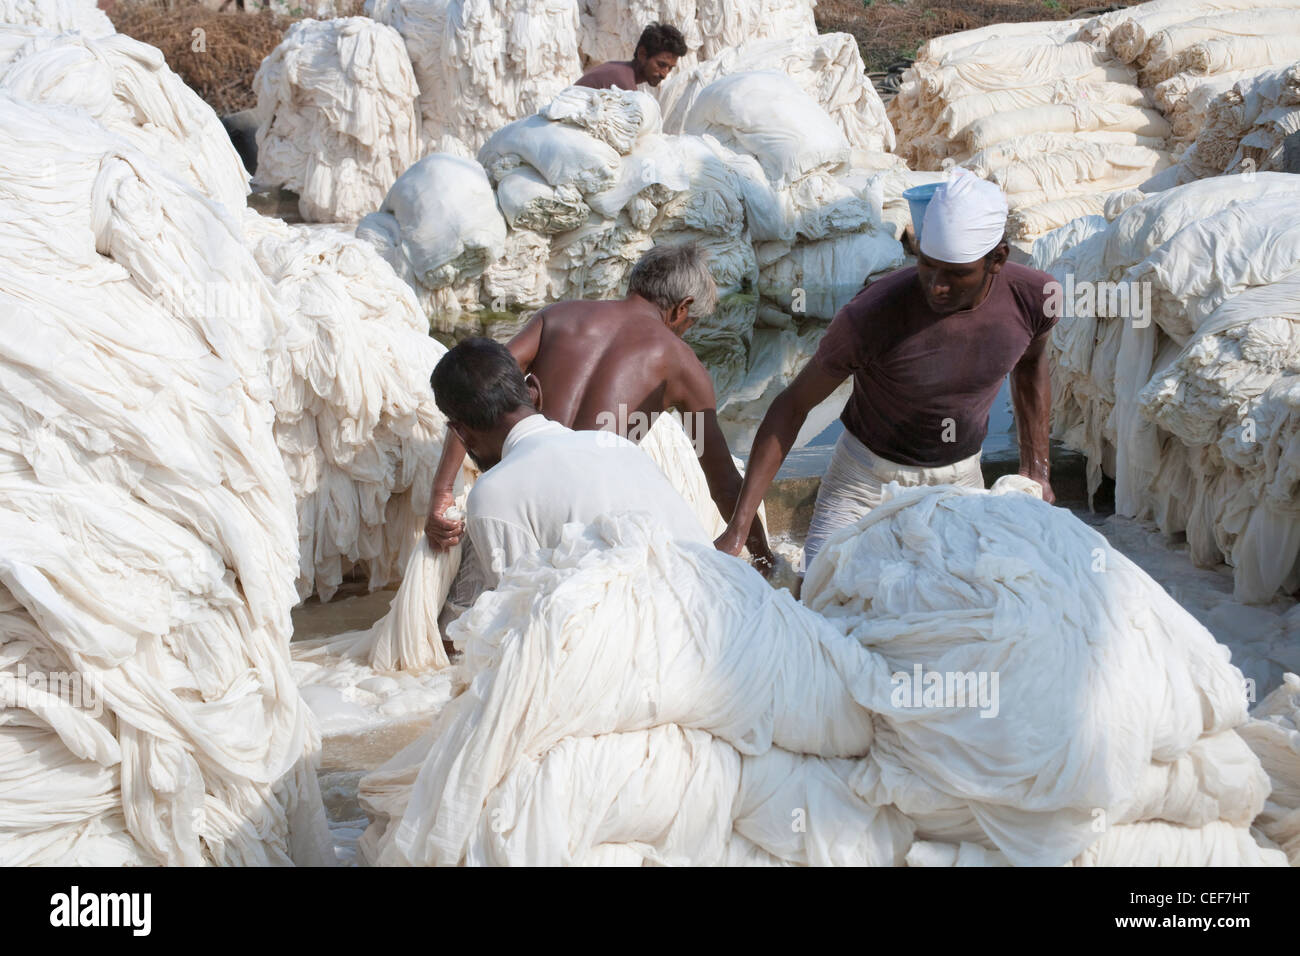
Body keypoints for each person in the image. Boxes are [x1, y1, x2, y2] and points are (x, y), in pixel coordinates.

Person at [715, 169, 1057, 571]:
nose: (937, 286)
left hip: (959, 483)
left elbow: (1031, 367)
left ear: (997, 259)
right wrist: (740, 527)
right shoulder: (873, 314)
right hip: (865, 483)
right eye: (928, 266)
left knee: (960, 603)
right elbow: (791, 407)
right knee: (829, 594)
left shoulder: (1034, 298)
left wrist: (1036, 470)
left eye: (956, 273)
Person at [426, 243, 775, 570]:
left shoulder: (558, 317)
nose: (685, 331)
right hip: (588, 517)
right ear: (681, 308)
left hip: (516, 492)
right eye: (691, 323)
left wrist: (442, 493)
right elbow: (723, 483)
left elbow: (474, 391)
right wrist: (763, 557)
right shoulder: (682, 364)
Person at [429, 337, 710, 589]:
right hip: (726, 604)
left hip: (660, 637)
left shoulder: (493, 492)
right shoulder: (619, 446)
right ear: (534, 390)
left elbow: (518, 616)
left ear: (460, 432)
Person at [575, 22, 687, 91]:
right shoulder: (622, 81)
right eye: (661, 64)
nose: (664, 74)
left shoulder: (619, 69)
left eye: (670, 68)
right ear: (642, 54)